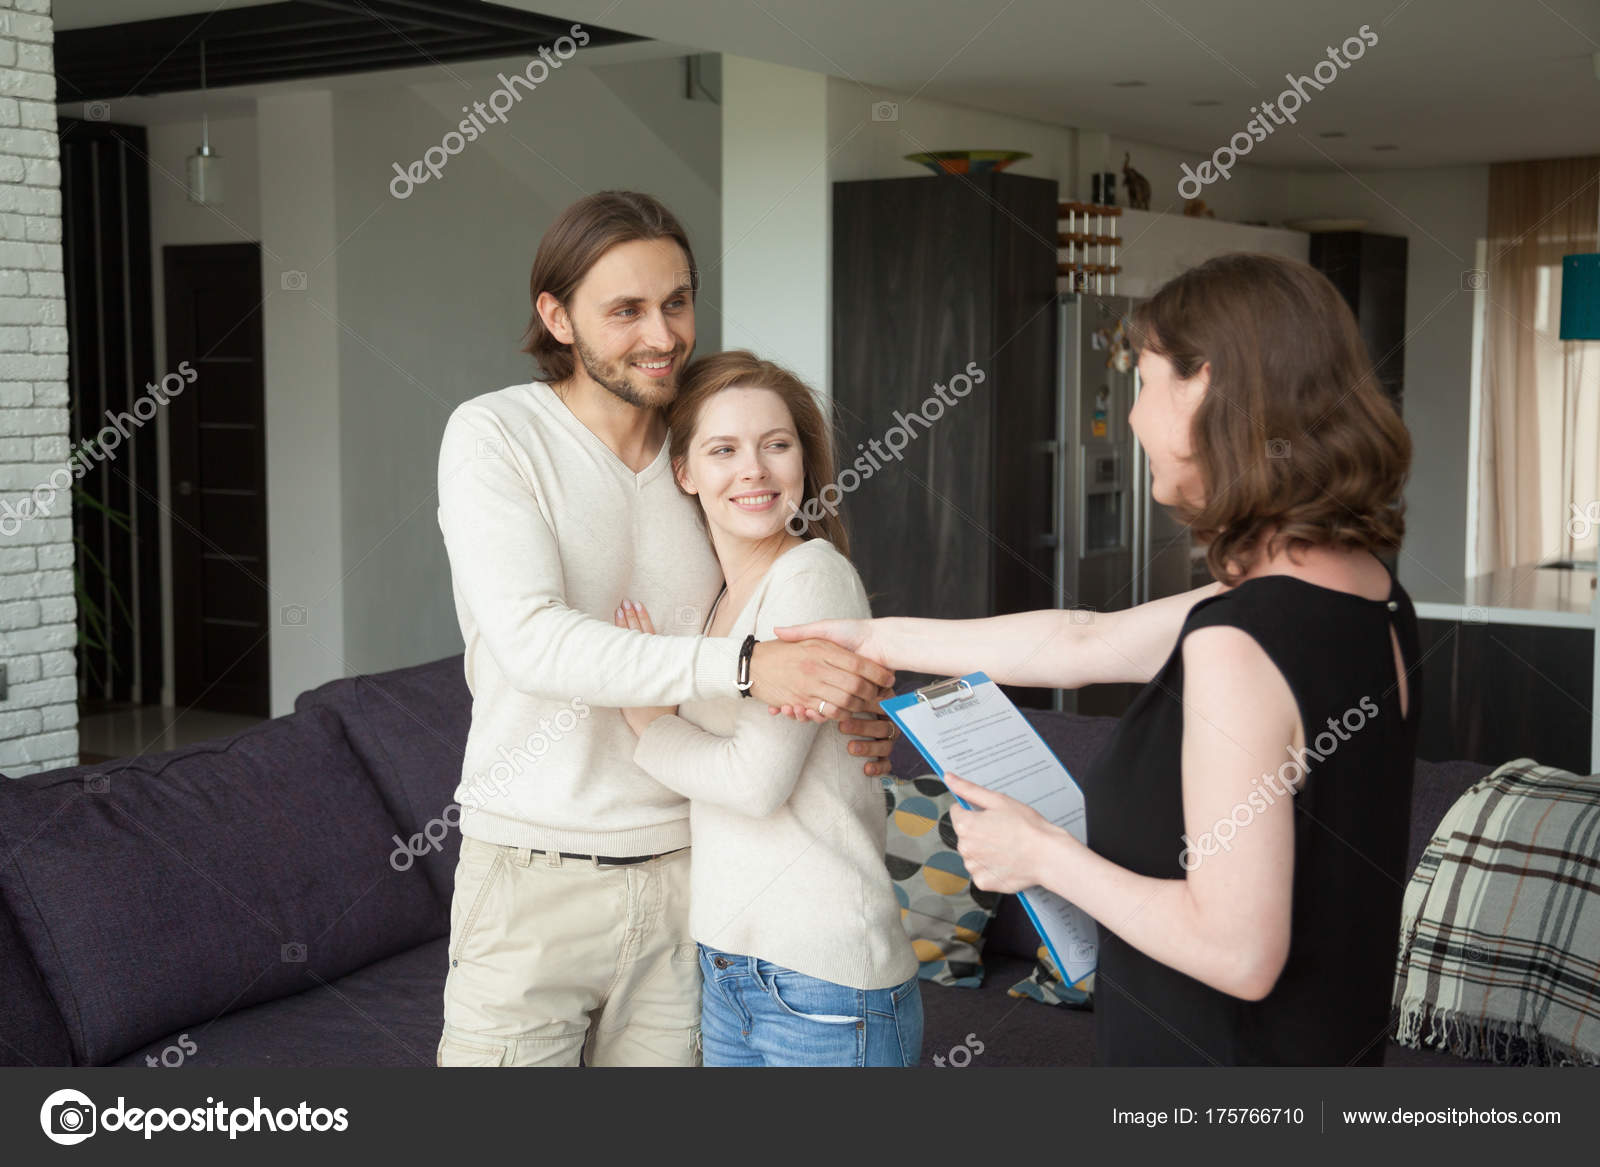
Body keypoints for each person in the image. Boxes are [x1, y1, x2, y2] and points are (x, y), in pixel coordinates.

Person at [776, 253, 1420, 1066]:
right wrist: (870, 639)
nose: (1134, 418)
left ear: (1207, 390)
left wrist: (1040, 854)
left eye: (1144, 385)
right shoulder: (1364, 594)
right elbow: (1082, 639)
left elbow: (1239, 954)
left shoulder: (1239, 644)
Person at [433, 191, 898, 1068]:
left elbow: (792, 605)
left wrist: (855, 709)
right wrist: (754, 666)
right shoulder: (496, 435)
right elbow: (535, 642)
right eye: (626, 311)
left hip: (699, 877)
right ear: (556, 316)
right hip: (533, 868)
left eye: (677, 302)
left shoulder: (709, 450)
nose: (662, 334)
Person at [609, 350, 922, 1067]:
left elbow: (755, 783)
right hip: (731, 973)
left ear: (803, 464)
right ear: (684, 472)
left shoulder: (810, 577)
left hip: (824, 983)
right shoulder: (717, 596)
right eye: (723, 449)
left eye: (776, 445)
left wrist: (647, 718)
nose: (753, 469)